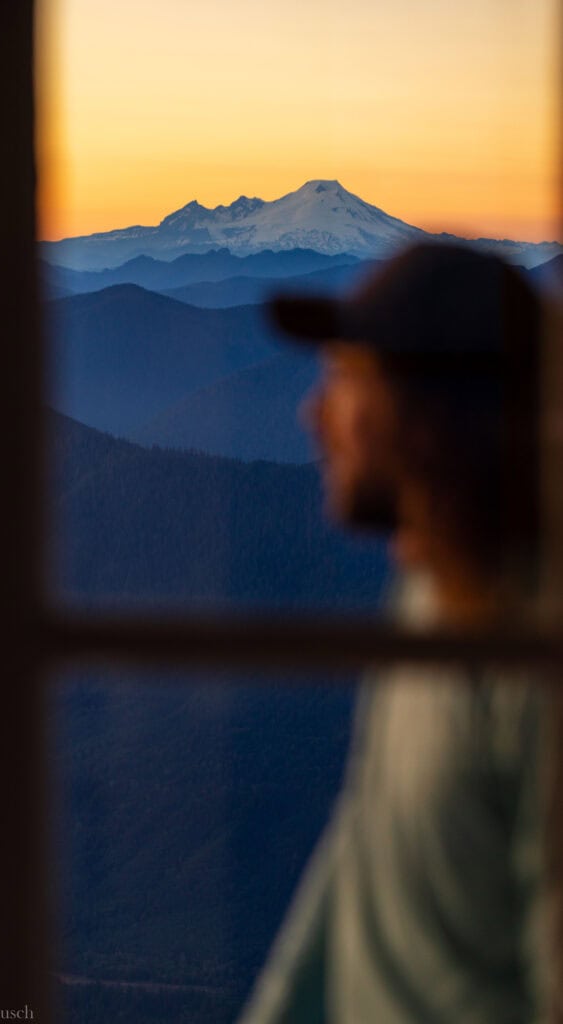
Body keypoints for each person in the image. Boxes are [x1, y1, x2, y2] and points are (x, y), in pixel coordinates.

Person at [238, 242, 556, 1023]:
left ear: (426, 417)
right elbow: (363, 851)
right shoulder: (425, 596)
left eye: (347, 378)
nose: (313, 413)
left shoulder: (533, 655)